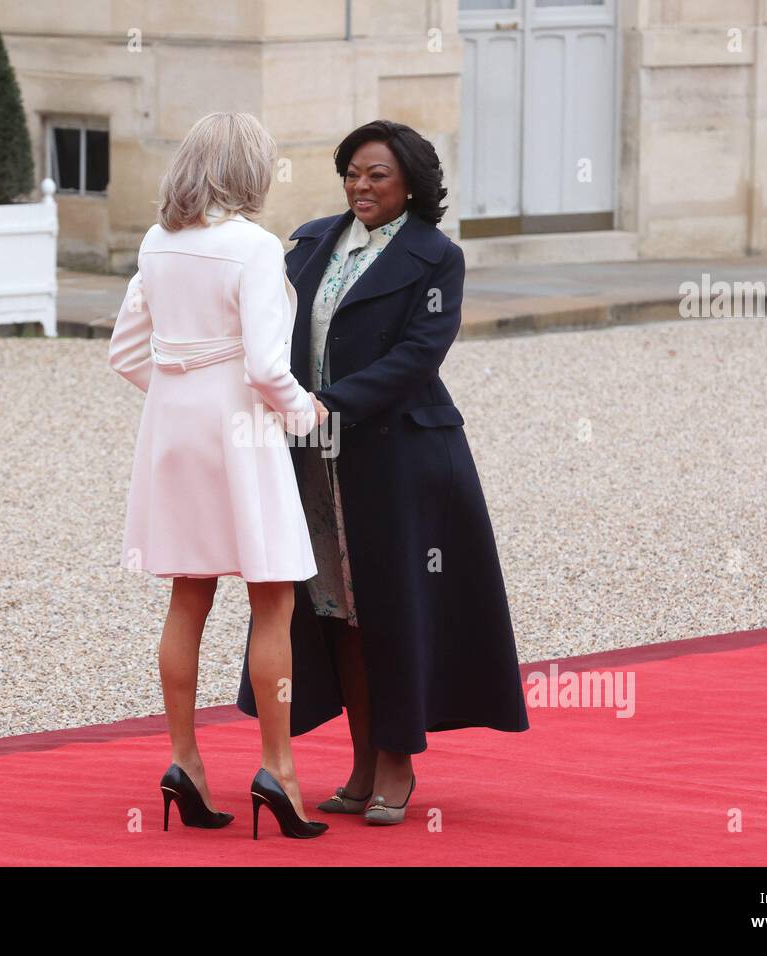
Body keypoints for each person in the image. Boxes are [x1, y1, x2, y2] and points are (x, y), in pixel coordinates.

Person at [235, 119, 531, 826]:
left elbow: (417, 358)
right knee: (337, 611)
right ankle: (362, 764)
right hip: (313, 462)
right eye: (352, 172)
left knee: (392, 610)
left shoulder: (436, 258)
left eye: (378, 175)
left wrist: (326, 405)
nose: (361, 186)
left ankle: (397, 762)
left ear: (412, 185)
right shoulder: (309, 241)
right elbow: (271, 332)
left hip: (401, 460)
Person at [108, 112, 329, 840]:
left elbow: (126, 354)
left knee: (188, 594)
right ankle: (278, 770)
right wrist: (307, 417)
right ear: (250, 171)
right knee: (272, 602)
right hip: (243, 434)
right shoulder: (255, 248)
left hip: (175, 433)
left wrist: (181, 393)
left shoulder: (155, 241)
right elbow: (268, 367)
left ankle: (184, 762)